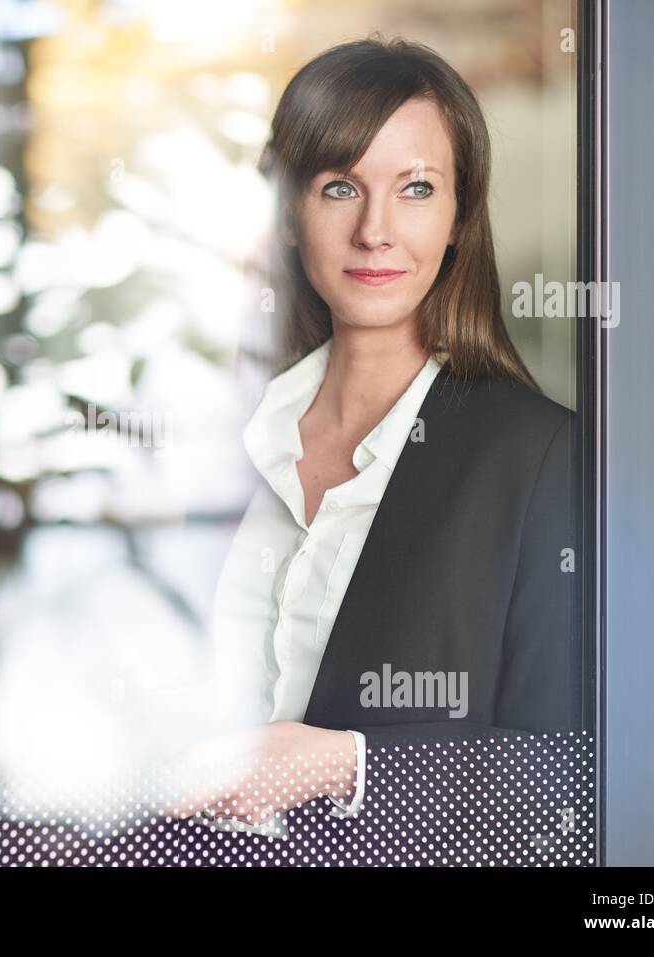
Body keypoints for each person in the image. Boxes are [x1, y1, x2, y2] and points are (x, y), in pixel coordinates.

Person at [165, 36, 585, 834]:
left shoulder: (536, 458)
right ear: (289, 213)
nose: (376, 230)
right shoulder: (230, 447)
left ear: (460, 216)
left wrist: (343, 764)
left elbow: (564, 775)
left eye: (417, 188)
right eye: (339, 188)